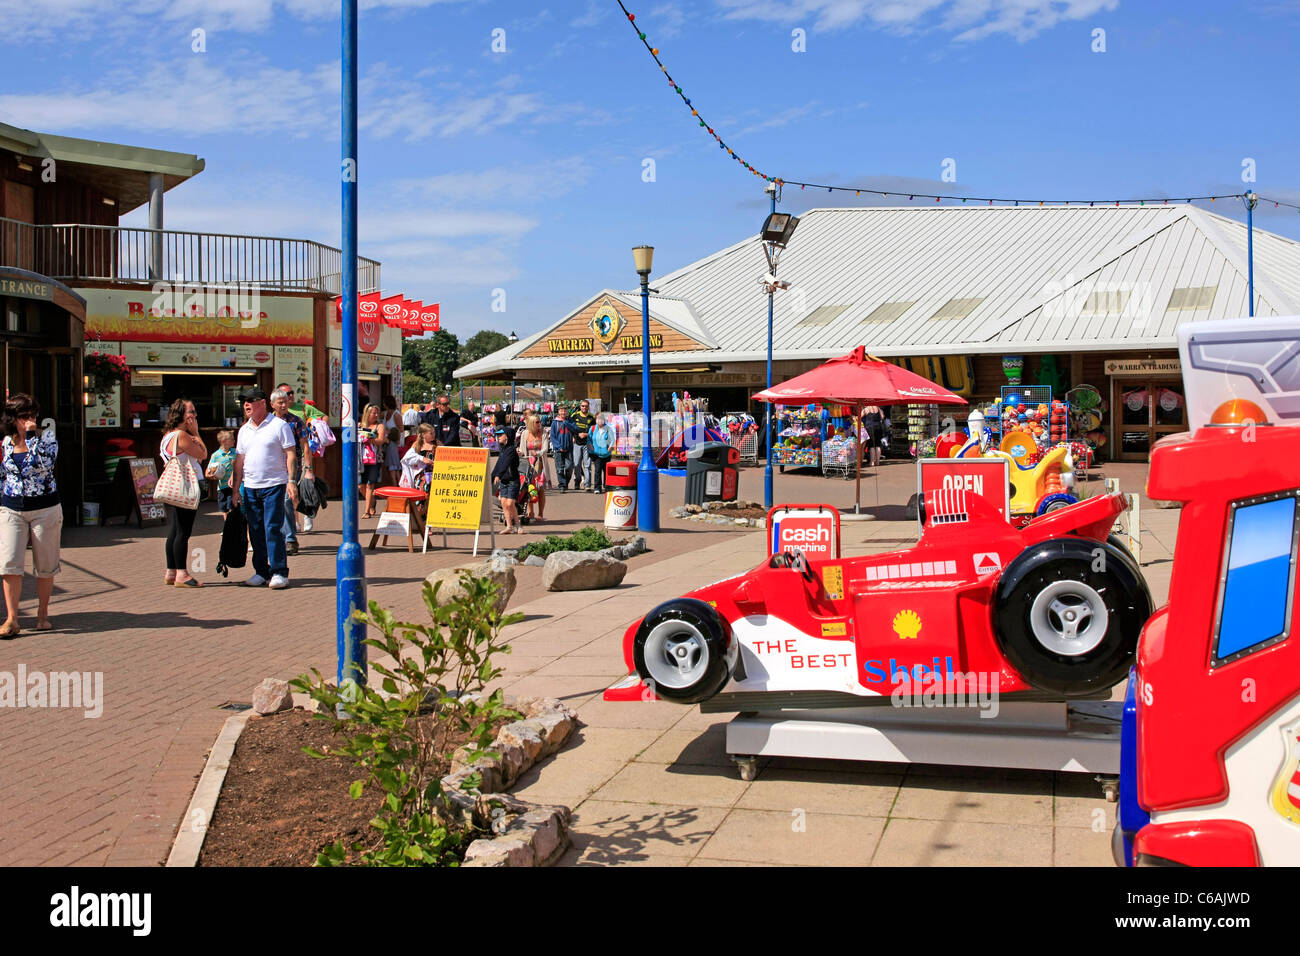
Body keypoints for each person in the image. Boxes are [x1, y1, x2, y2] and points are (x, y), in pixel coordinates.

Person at [0, 394, 62, 635]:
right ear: (13, 418)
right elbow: (4, 474)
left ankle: (43, 614)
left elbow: (46, 464)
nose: (31, 420)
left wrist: (33, 436)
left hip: (45, 508)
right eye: (25, 416)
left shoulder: (46, 437)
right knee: (9, 563)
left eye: (34, 415)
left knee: (45, 564)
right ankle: (12, 619)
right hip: (11, 508)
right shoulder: (5, 441)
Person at [231, 387, 298, 589]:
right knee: (256, 529)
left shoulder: (279, 426)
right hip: (250, 486)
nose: (246, 405)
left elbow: (291, 454)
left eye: (250, 401)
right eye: (244, 401)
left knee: (272, 528)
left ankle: (279, 572)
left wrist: (291, 481)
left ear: (262, 403)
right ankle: (261, 571)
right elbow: (239, 460)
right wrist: (236, 489)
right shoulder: (244, 429)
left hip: (274, 484)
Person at [160, 398, 208, 588]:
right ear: (181, 415)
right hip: (186, 487)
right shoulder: (182, 435)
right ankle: (182, 573)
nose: (194, 415)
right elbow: (203, 454)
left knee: (175, 529)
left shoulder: (167, 435)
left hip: (175, 487)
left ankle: (171, 571)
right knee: (183, 532)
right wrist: (196, 433)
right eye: (191, 412)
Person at [272, 386, 313, 555]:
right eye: (280, 402)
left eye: (285, 402)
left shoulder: (295, 421)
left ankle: (289, 538)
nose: (283, 405)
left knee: (287, 500)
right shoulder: (268, 422)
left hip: (291, 466)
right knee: (276, 502)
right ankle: (281, 536)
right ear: (272, 404)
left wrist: (308, 468)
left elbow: (305, 445)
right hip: (273, 467)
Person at [491, 425, 522, 534]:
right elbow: (499, 465)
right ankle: (509, 527)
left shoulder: (511, 451)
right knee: (504, 503)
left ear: (507, 436)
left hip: (513, 480)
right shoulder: (503, 450)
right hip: (504, 481)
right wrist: (491, 477)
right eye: (497, 435)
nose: (498, 436)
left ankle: (518, 525)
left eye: (500, 435)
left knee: (510, 503)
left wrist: (499, 475)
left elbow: (506, 464)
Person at [521, 413, 551, 522]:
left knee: (540, 489)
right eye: (537, 422)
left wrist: (537, 453)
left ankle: (540, 513)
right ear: (531, 423)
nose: (540, 424)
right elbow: (522, 448)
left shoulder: (543, 433)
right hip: (528, 464)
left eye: (540, 422)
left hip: (540, 464)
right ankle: (530, 512)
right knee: (529, 488)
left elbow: (545, 448)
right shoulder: (525, 433)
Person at [358, 403, 384, 518]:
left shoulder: (379, 426)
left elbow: (381, 440)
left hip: (374, 459)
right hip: (361, 458)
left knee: (370, 484)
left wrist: (371, 439)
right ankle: (372, 501)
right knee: (360, 485)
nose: (376, 415)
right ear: (367, 413)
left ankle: (367, 510)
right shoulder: (359, 425)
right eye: (374, 412)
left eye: (377, 412)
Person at [206, 429, 237, 517]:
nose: (234, 441)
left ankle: (232, 529)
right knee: (224, 509)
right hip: (222, 486)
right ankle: (227, 529)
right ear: (224, 441)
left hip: (233, 486)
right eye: (231, 439)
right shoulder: (215, 455)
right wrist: (212, 474)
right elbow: (209, 470)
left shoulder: (235, 452)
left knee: (233, 508)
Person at [400, 422, 438, 493]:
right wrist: (422, 458)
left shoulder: (437, 443)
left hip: (435, 473)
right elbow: (408, 457)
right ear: (423, 435)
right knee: (424, 486)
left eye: (434, 433)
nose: (434, 435)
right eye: (431, 433)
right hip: (421, 474)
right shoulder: (417, 445)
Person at [570, 399, 596, 491]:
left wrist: (586, 434)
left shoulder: (592, 417)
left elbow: (595, 431)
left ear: (589, 407)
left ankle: (587, 485)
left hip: (587, 444)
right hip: (577, 444)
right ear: (580, 406)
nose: (584, 407)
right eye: (583, 406)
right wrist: (574, 436)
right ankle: (577, 481)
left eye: (586, 406)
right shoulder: (574, 416)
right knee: (576, 464)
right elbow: (571, 428)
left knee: (587, 465)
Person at [589, 412, 615, 494]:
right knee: (597, 471)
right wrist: (591, 447)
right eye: (598, 419)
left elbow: (612, 439)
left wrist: (611, 446)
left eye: (601, 419)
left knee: (606, 471)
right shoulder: (592, 428)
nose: (600, 421)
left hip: (606, 454)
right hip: (597, 454)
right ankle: (597, 487)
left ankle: (607, 486)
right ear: (596, 420)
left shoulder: (608, 428)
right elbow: (589, 439)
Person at [549, 405, 574, 491]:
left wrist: (566, 423)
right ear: (558, 412)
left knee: (569, 467)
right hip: (558, 450)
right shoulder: (555, 422)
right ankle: (562, 485)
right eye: (561, 411)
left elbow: (575, 429)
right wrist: (559, 447)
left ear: (567, 412)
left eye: (565, 411)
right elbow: (552, 437)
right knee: (559, 468)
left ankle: (566, 482)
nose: (563, 412)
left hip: (569, 448)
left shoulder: (570, 421)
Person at [381, 394, 403, 486]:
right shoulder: (385, 413)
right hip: (386, 442)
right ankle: (397, 486)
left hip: (394, 443)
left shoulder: (396, 415)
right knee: (393, 466)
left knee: (393, 466)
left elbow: (401, 429)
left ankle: (396, 487)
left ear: (386, 404)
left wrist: (390, 432)